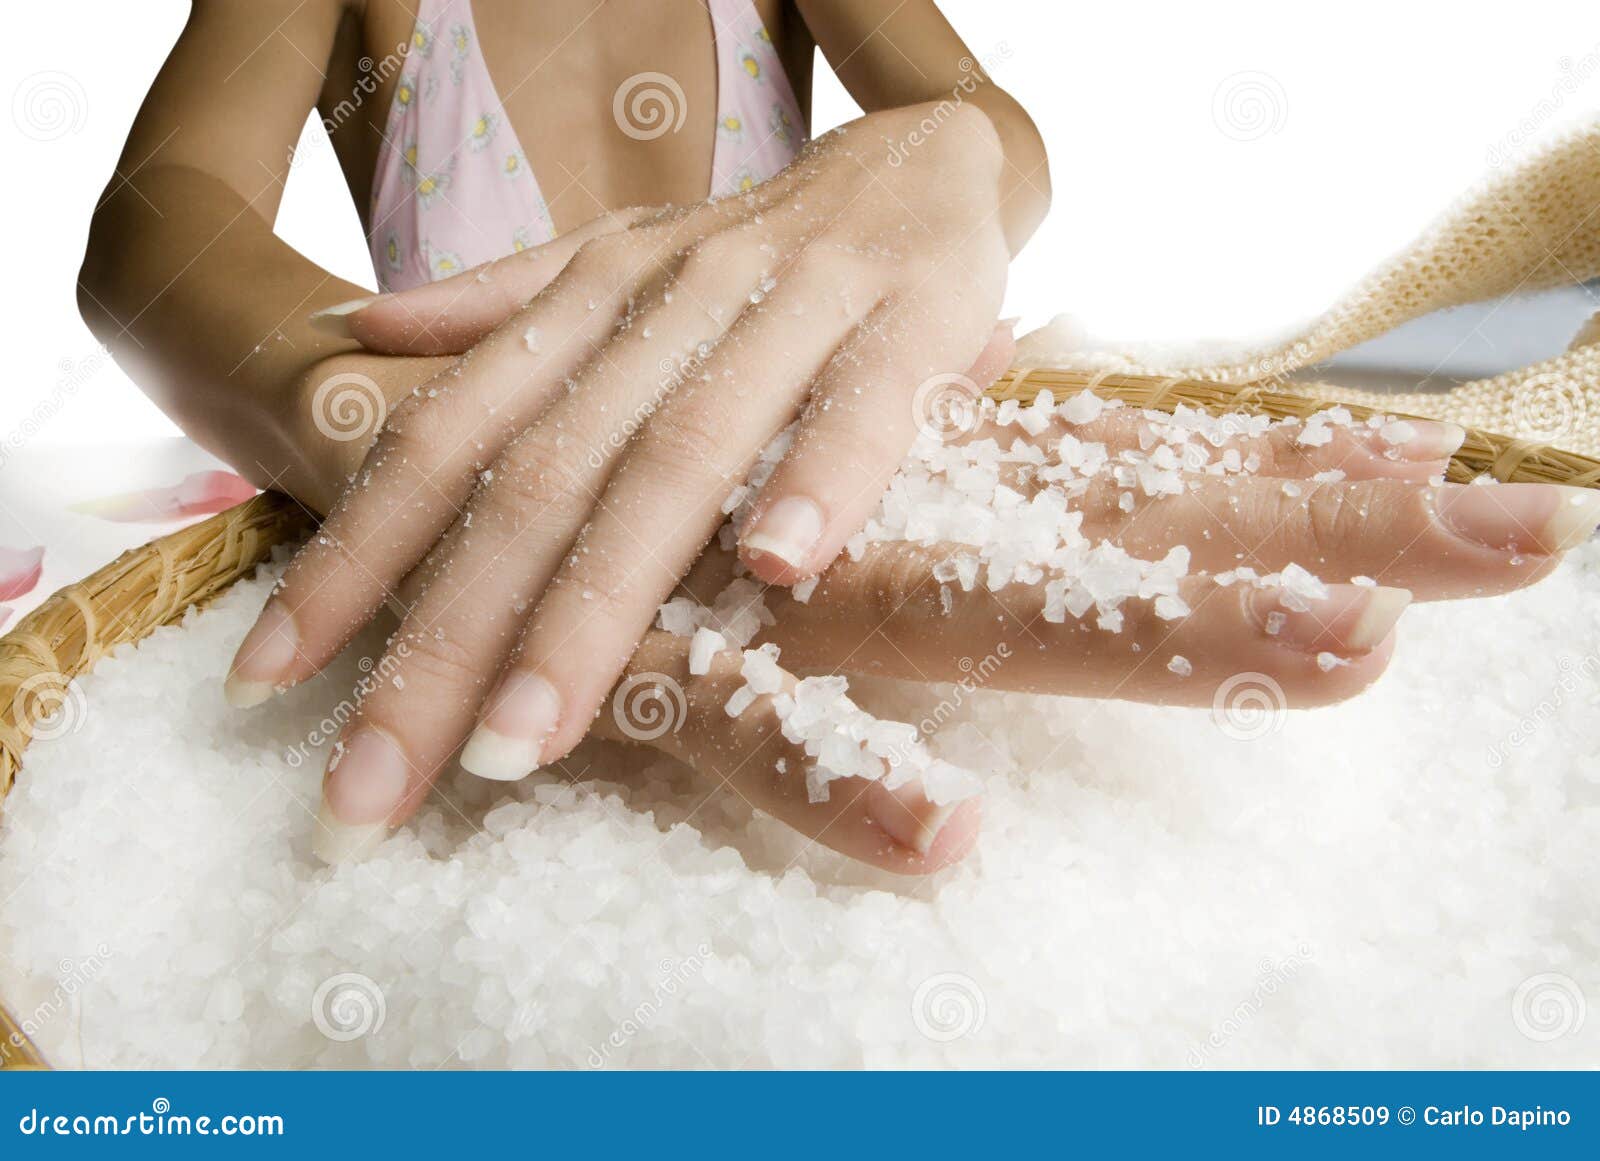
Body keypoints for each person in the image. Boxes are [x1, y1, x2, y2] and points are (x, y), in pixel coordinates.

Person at [79, 0, 1600, 871]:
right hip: (498, 565)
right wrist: (377, 415)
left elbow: (980, 118)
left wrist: (937, 156)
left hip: (833, 477)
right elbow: (155, 227)